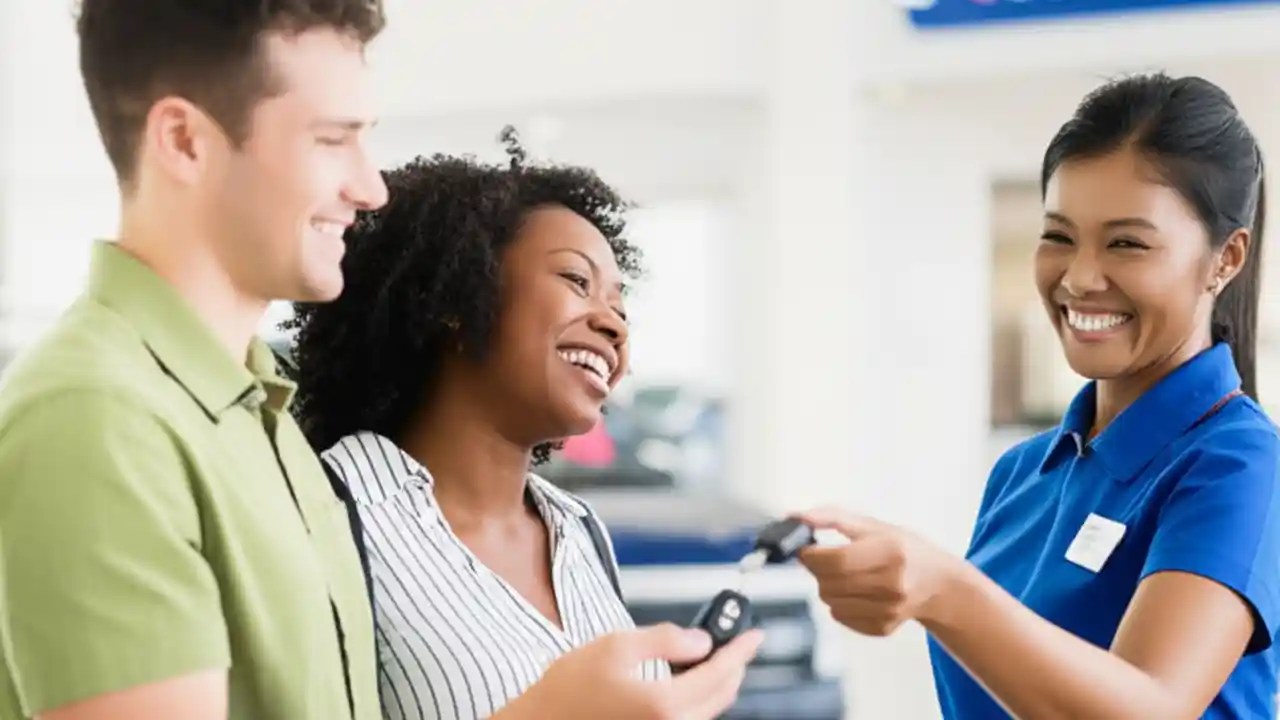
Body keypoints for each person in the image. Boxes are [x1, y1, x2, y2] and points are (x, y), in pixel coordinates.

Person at [0, 4, 755, 720]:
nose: (370, 187)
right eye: (333, 140)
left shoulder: (265, 434)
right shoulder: (96, 419)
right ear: (184, 141)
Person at [794, 73, 1279, 719]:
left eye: (1127, 243)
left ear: (1226, 259)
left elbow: (1151, 709)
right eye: (1058, 236)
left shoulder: (1244, 468)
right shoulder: (1022, 473)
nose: (1078, 278)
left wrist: (943, 590)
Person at [285, 129, 763, 720]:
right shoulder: (327, 509)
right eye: (576, 282)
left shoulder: (581, 530)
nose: (613, 326)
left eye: (619, 306)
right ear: (456, 298)